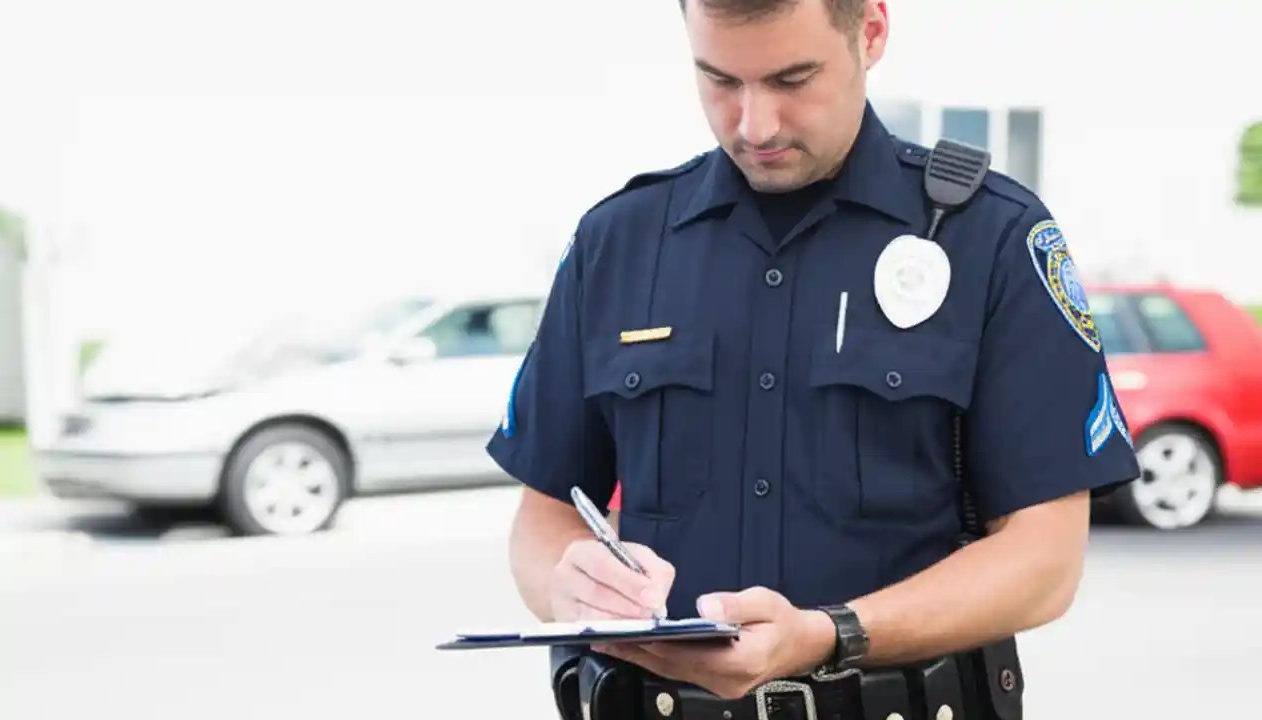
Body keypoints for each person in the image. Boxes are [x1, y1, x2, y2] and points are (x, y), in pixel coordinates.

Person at [485, 0, 1141, 716]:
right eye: (720, 81)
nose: (755, 124)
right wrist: (567, 587)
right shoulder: (621, 242)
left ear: (872, 31)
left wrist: (833, 635)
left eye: (792, 80)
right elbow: (546, 513)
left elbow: (1044, 562)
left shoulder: (993, 239)